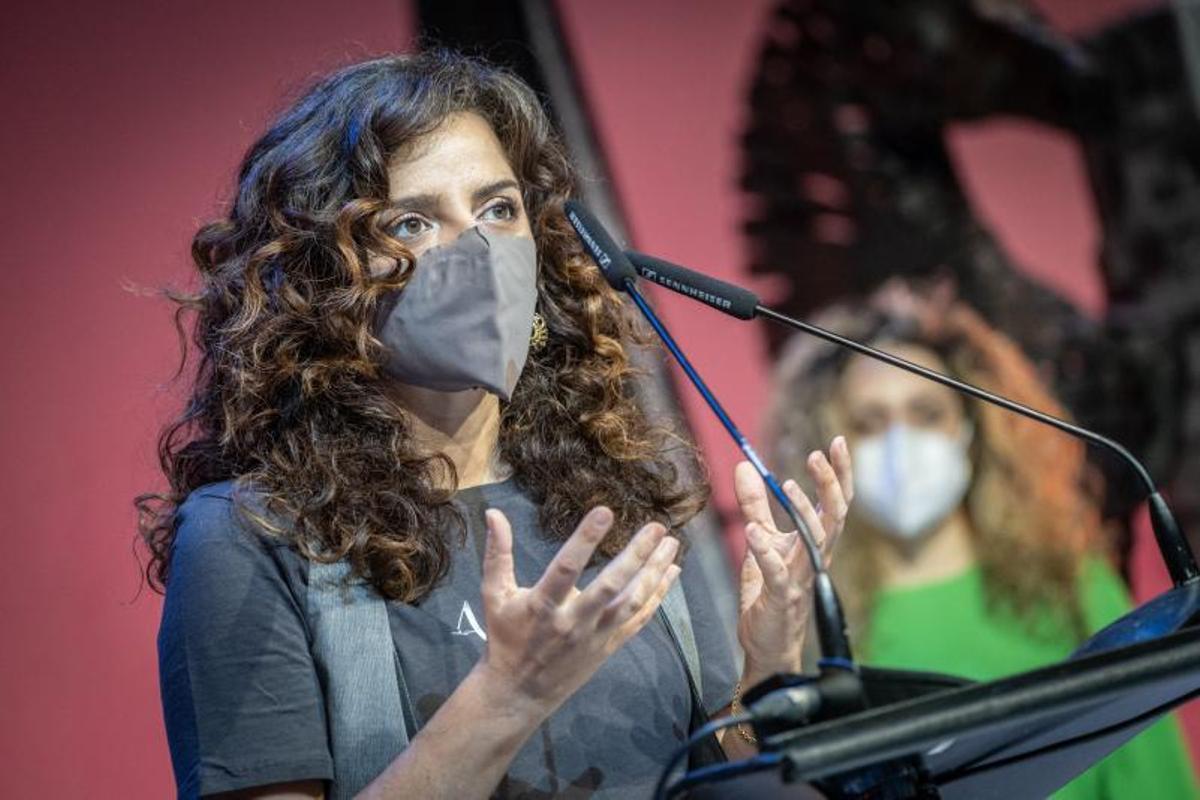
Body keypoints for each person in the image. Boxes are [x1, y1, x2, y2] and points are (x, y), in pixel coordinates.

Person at [137, 51, 854, 799]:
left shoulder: (614, 489)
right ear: (327, 275)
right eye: (414, 222)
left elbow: (724, 773)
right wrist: (505, 699)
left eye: (498, 209)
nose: (477, 251)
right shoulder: (249, 538)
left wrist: (772, 660)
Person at [763, 284, 1198, 799]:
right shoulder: (816, 629)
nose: (901, 443)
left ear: (970, 430)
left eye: (926, 414)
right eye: (870, 423)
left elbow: (1155, 779)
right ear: (834, 442)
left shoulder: (1068, 587)